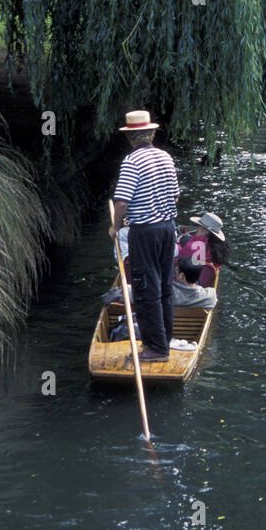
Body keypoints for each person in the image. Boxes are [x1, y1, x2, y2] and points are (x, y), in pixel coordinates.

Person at [109, 110, 179, 363]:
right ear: (150, 133)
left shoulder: (132, 161)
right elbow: (174, 197)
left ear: (130, 137)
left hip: (145, 233)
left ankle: (157, 348)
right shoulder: (166, 157)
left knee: (146, 288)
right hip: (168, 228)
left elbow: (122, 202)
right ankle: (163, 341)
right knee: (164, 287)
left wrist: (116, 227)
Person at [177, 211, 230, 289]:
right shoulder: (218, 248)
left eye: (198, 225)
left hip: (189, 286)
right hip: (206, 285)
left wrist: (183, 242)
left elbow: (187, 256)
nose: (197, 228)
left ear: (204, 229)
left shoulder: (196, 246)